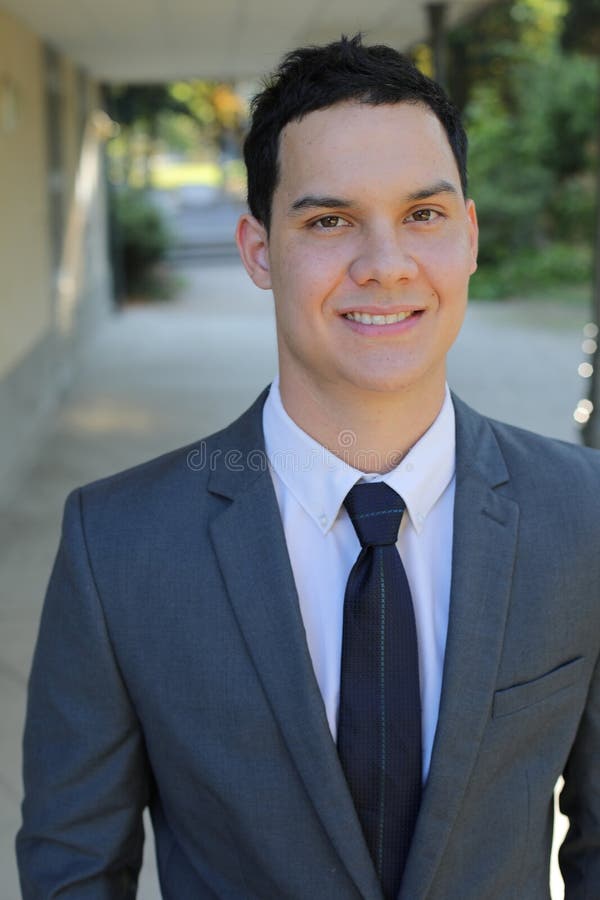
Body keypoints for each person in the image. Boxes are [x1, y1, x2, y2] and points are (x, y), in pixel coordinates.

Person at [17, 34, 600, 900]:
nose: (385, 264)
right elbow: (75, 871)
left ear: (469, 236)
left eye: (423, 215)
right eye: (329, 221)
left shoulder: (583, 514)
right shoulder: (117, 547)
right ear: (259, 250)